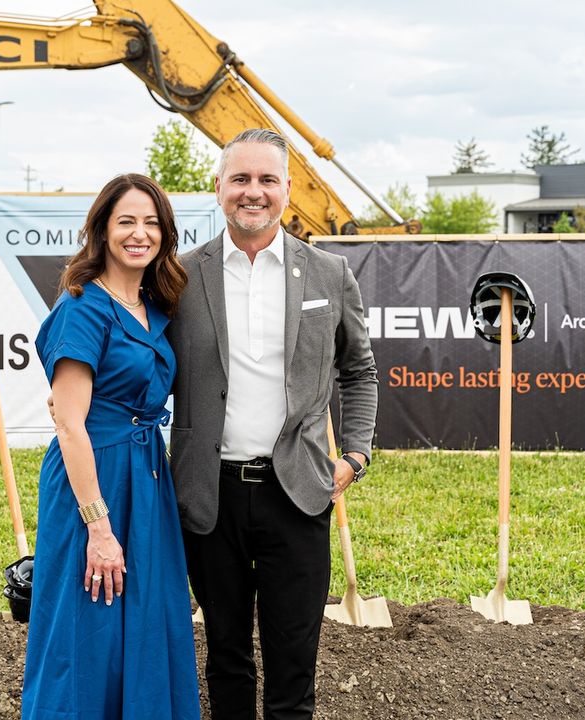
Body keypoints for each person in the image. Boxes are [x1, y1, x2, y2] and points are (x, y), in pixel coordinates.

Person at [167, 128, 378, 720]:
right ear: (218, 189)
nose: (252, 192)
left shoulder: (329, 273)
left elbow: (359, 371)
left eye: (266, 180)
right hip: (210, 499)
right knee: (226, 658)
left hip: (299, 494)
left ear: (288, 189)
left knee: (294, 664)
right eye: (240, 179)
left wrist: (355, 455)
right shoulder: (181, 276)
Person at [22, 173, 200, 720]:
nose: (139, 233)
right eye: (126, 221)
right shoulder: (83, 307)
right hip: (92, 485)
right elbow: (69, 424)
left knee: (150, 617)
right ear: (102, 229)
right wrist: (98, 528)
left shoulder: (157, 306)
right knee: (86, 626)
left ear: (165, 235)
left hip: (147, 480)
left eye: (151, 223)